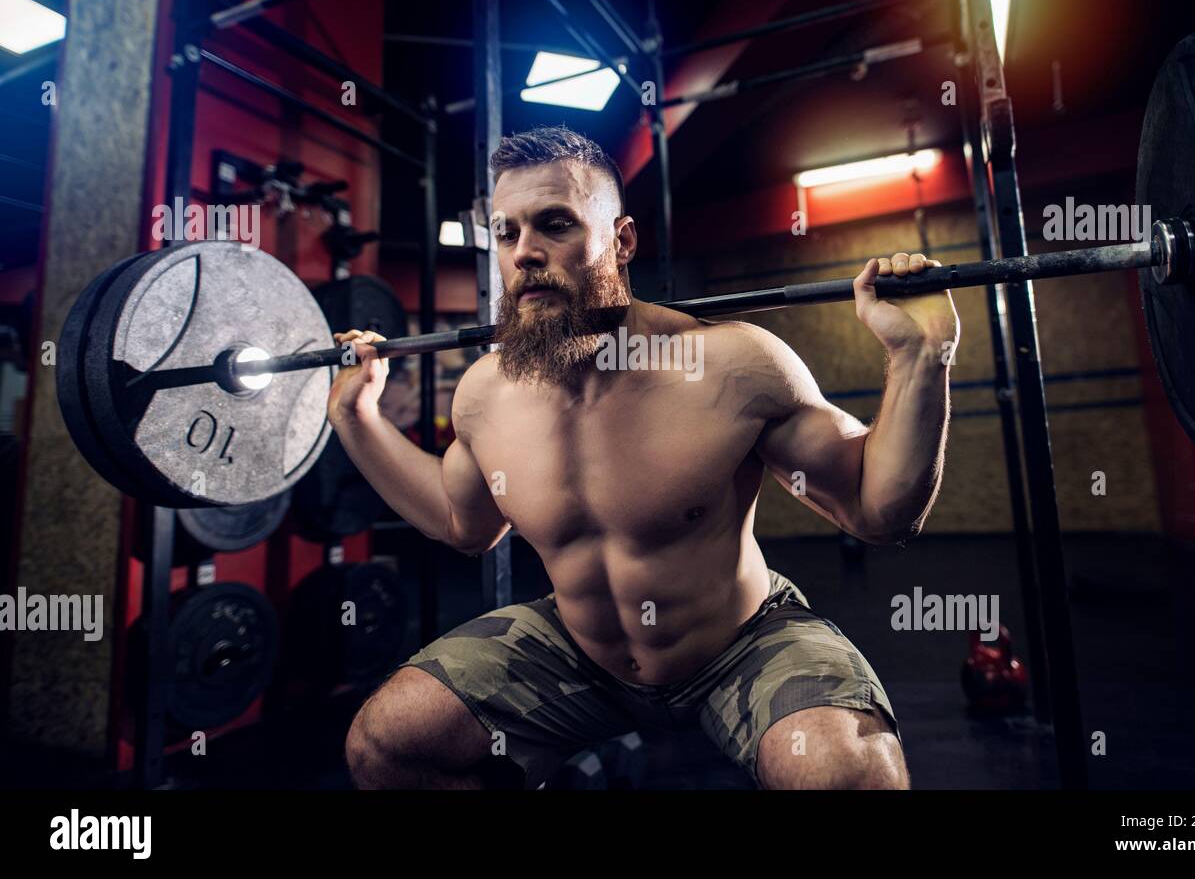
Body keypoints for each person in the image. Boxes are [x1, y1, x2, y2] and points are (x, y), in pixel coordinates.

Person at [335, 126, 958, 789]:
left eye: (555, 225)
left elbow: (878, 509)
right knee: (384, 744)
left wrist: (922, 356)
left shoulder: (732, 366)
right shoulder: (486, 395)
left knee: (848, 774)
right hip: (579, 648)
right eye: (507, 233)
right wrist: (356, 416)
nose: (525, 253)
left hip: (740, 641)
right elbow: (464, 524)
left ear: (622, 241)